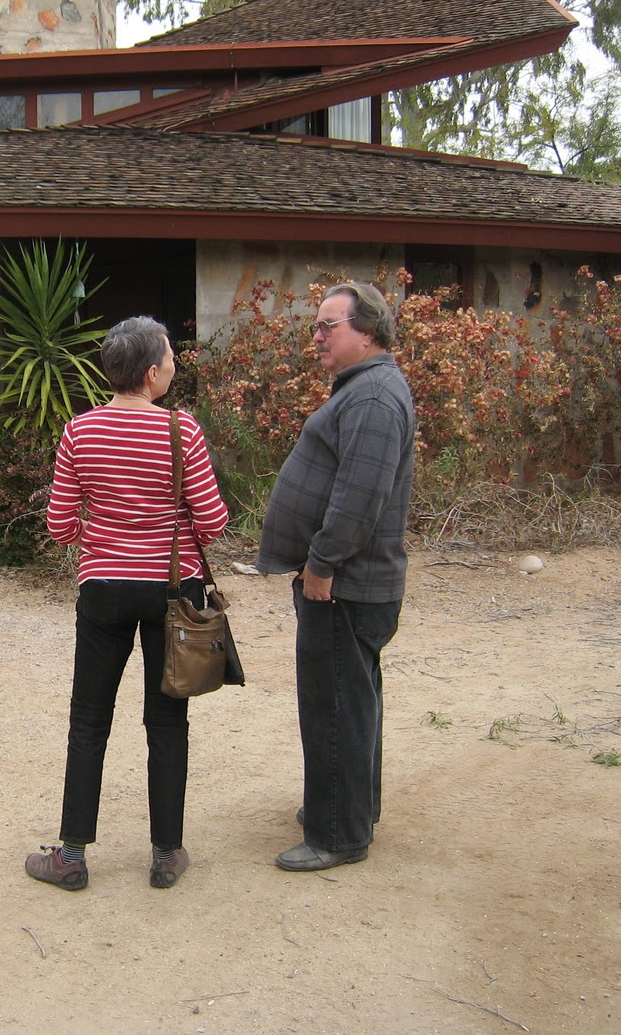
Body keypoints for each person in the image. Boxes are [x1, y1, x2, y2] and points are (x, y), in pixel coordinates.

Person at [25, 316, 229, 891]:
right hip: (172, 589)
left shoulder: (78, 431)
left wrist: (109, 535)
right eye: (169, 357)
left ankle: (70, 855)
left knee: (89, 719)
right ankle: (166, 853)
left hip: (104, 590)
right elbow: (212, 522)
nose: (174, 364)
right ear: (150, 372)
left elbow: (60, 525)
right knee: (167, 720)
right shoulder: (180, 431)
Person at [256, 282, 415, 872]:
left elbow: (358, 499)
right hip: (347, 583)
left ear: (367, 331)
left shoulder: (372, 399)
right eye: (316, 325)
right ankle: (349, 807)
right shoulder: (365, 389)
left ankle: (337, 835)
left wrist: (321, 564)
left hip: (344, 584)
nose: (317, 336)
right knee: (351, 700)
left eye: (330, 325)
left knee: (335, 704)